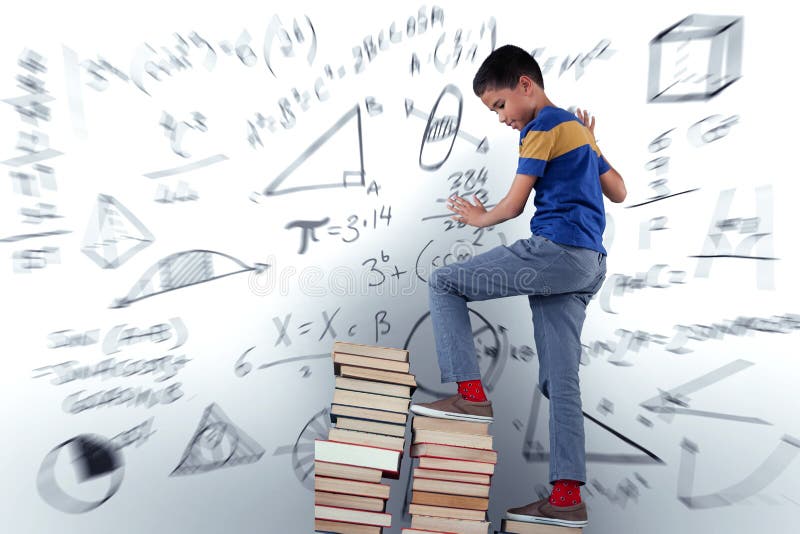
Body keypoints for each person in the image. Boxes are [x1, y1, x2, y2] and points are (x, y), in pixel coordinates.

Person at [409, 44, 626, 528]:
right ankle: (566, 495)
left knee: (445, 282)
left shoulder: (543, 127)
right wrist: (593, 145)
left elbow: (512, 207)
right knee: (561, 382)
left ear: (525, 85)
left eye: (500, 105)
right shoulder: (577, 130)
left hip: (557, 251)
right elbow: (620, 191)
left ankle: (469, 392)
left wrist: (477, 216)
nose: (502, 118)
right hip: (588, 264)